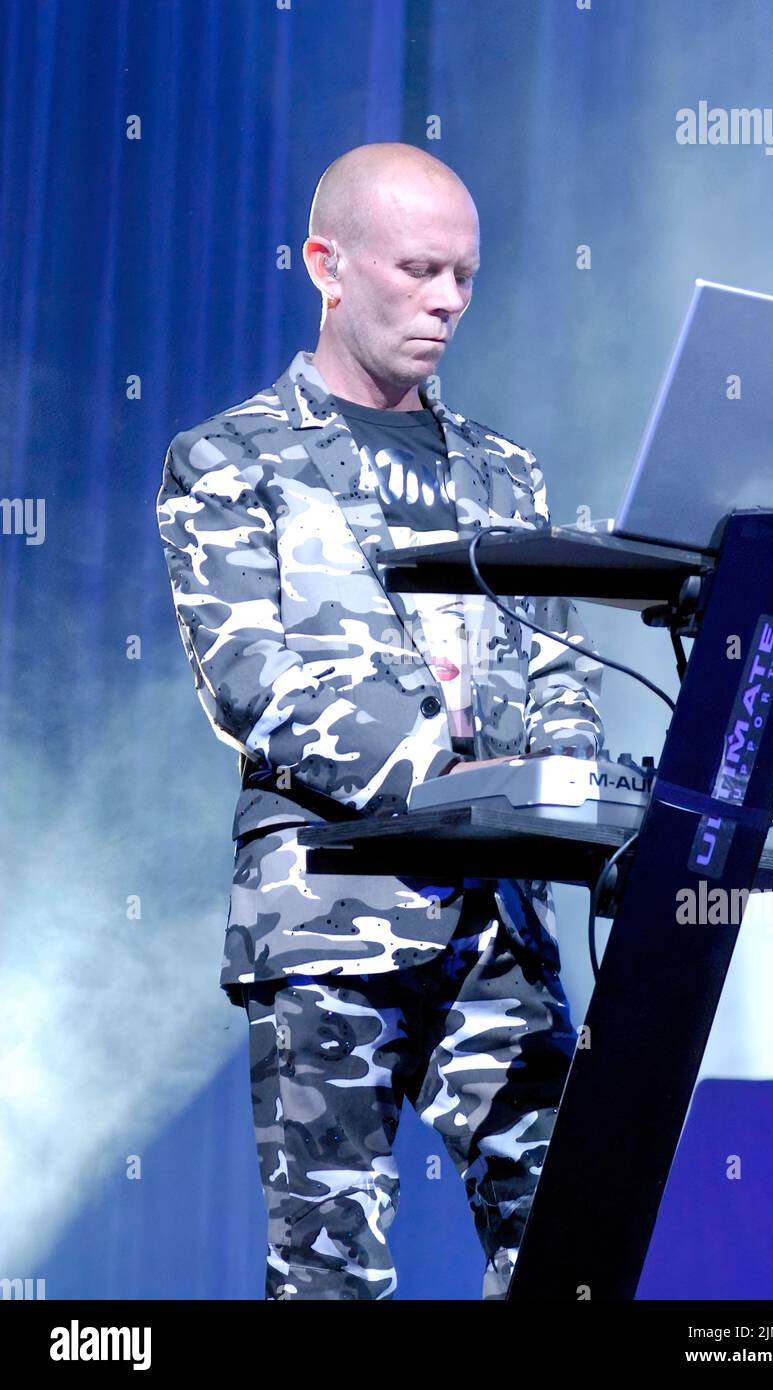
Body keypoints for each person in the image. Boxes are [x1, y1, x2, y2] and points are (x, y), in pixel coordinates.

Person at [155, 141, 604, 1300]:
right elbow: (250, 678)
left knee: (573, 1243)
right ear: (327, 265)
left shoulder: (506, 475)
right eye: (418, 270)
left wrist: (568, 787)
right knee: (330, 1273)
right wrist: (456, 780)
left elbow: (561, 666)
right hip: (327, 920)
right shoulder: (227, 458)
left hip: (496, 923)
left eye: (464, 274)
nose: (448, 301)